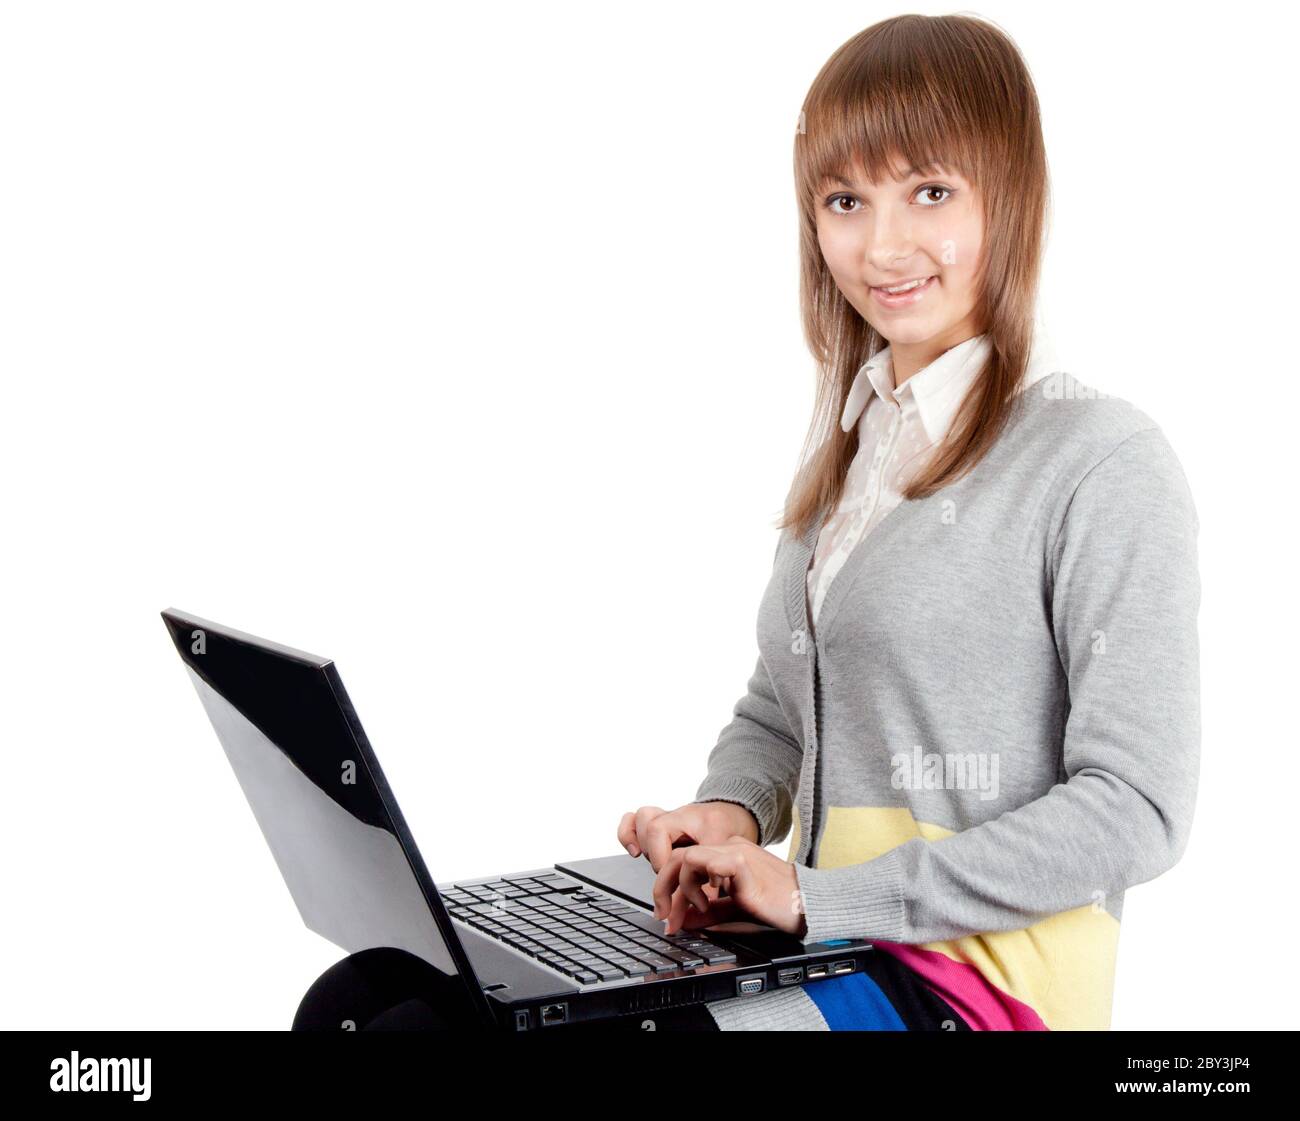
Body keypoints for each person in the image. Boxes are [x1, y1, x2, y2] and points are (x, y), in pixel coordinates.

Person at [299, 12, 1200, 1032]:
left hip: (972, 988)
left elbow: (1140, 807)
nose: (883, 243)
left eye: (931, 191)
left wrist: (815, 896)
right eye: (845, 199)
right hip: (823, 942)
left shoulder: (1099, 461)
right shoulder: (855, 448)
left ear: (1013, 196)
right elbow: (782, 708)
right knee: (368, 998)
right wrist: (724, 819)